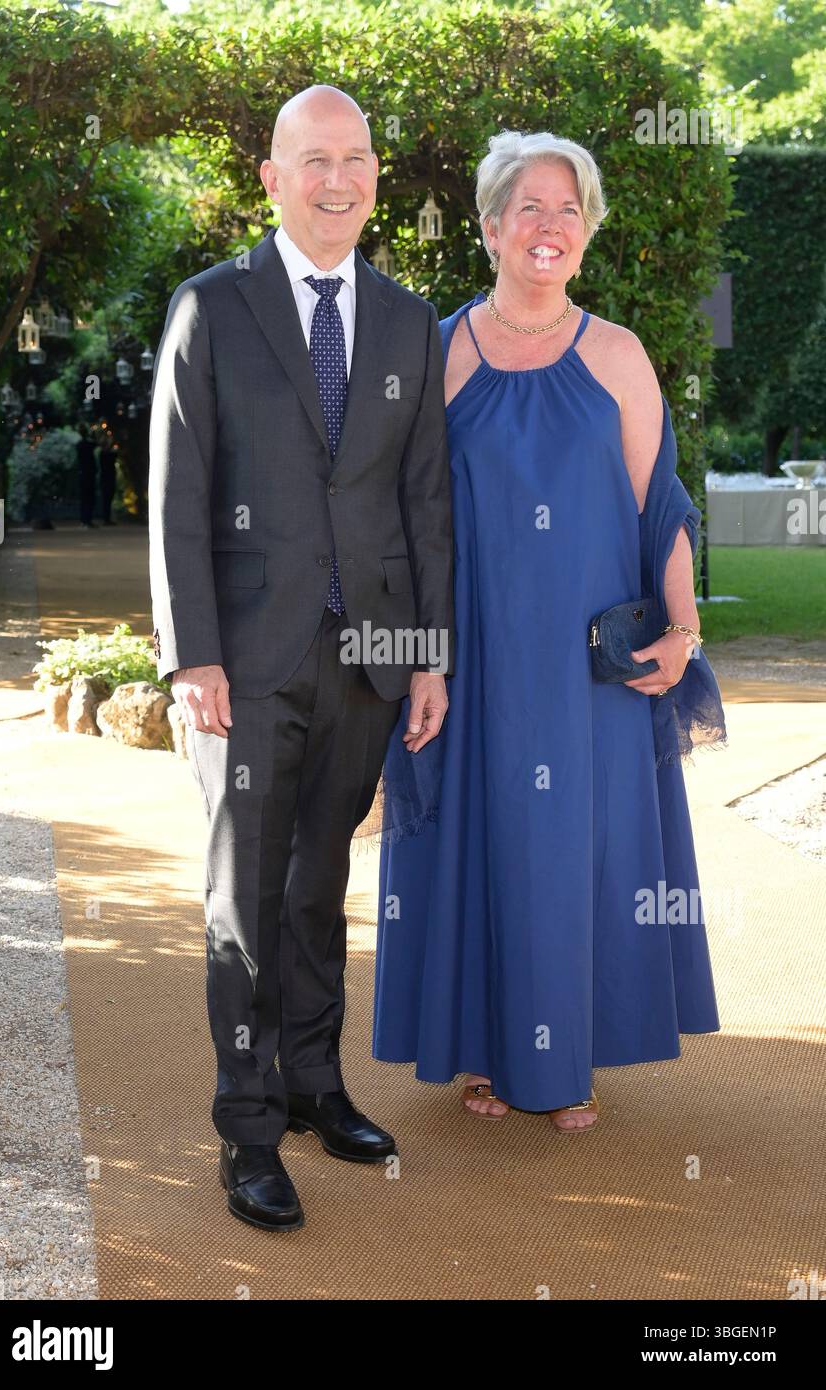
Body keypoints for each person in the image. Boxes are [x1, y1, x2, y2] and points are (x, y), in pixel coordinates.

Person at [373, 131, 725, 1132]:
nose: (551, 225)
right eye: (529, 206)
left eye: (569, 210)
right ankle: (490, 1052)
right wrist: (417, 657)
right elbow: (402, 518)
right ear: (489, 226)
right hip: (472, 657)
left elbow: (662, 506)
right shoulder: (437, 352)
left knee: (575, 848)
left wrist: (685, 624)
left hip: (585, 666)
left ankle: (564, 1057)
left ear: (587, 233)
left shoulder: (616, 353)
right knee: (480, 841)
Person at [148, 86, 455, 1232]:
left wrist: (427, 656)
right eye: (314, 160)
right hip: (245, 664)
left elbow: (424, 502)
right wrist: (192, 660)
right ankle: (247, 1127)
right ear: (271, 179)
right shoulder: (211, 309)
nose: (340, 180)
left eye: (357, 159)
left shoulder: (408, 321)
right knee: (244, 897)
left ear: (377, 175)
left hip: (370, 658)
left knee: (320, 882)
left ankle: (317, 1083)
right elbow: (178, 498)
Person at [76, 424, 97, 528]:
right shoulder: (87, 444)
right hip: (88, 473)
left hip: (83, 473)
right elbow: (95, 443)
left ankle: (84, 520)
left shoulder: (80, 444)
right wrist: (92, 434)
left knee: (84, 498)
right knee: (89, 497)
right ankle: (87, 520)